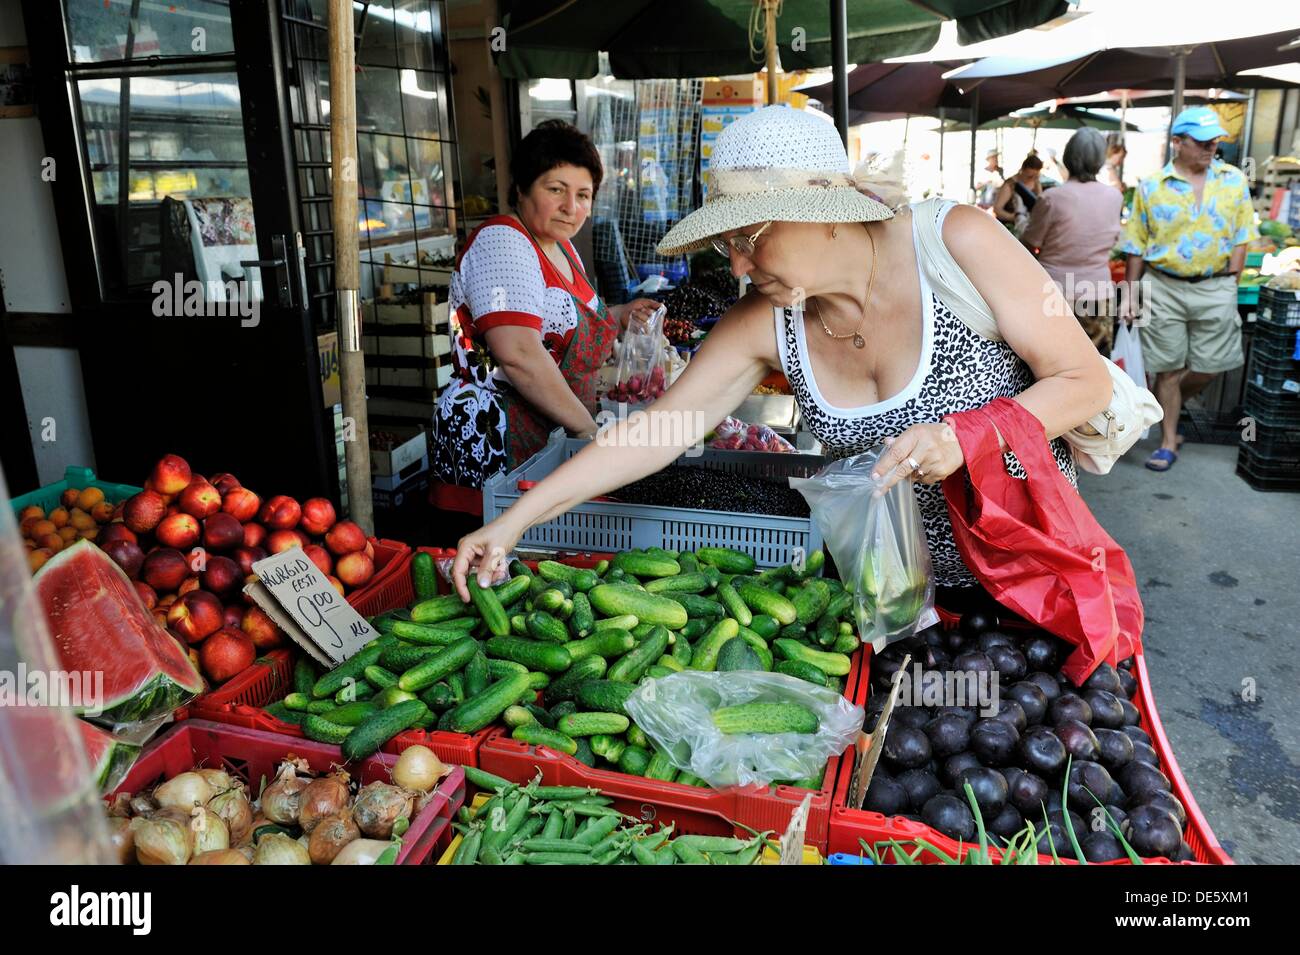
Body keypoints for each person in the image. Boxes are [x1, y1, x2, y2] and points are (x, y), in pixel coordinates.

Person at [450, 106, 1111, 610]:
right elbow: (655, 433)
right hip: (890, 594)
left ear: (825, 212)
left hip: (1028, 578)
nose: (737, 265)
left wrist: (962, 437)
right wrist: (512, 523)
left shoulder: (955, 241)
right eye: (727, 245)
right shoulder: (766, 320)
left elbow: (1084, 382)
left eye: (750, 237)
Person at [430, 120, 660, 513]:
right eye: (556, 190)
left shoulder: (561, 247)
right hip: (496, 445)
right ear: (521, 187)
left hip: (549, 436)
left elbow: (563, 320)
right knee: (495, 563)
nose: (572, 207)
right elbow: (519, 354)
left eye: (584, 195)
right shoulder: (503, 241)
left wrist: (620, 315)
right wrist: (590, 432)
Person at [1119, 106, 1258, 473]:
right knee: (1166, 369)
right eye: (1201, 142)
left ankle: (1169, 405)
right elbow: (1135, 245)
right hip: (1162, 286)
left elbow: (1243, 236)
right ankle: (1167, 441)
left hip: (1215, 286)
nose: (1211, 147)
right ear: (1177, 143)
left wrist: (1232, 280)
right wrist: (1130, 294)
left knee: (1214, 365)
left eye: (1215, 141)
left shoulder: (1233, 181)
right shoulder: (1151, 187)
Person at [1021, 128, 1124, 353]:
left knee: (1049, 363)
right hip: (1097, 295)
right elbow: (1113, 239)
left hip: (1053, 294)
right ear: (1100, 160)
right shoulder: (1114, 197)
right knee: (1096, 364)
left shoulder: (1051, 198)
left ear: (1068, 158)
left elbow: (1028, 245)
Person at [993, 155, 1044, 237]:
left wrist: (1038, 187)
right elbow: (997, 209)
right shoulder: (1010, 184)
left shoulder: (1036, 183)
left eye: (1036, 176)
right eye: (1030, 176)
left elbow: (1040, 206)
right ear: (1022, 170)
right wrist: (1014, 217)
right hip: (1011, 229)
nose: (1032, 179)